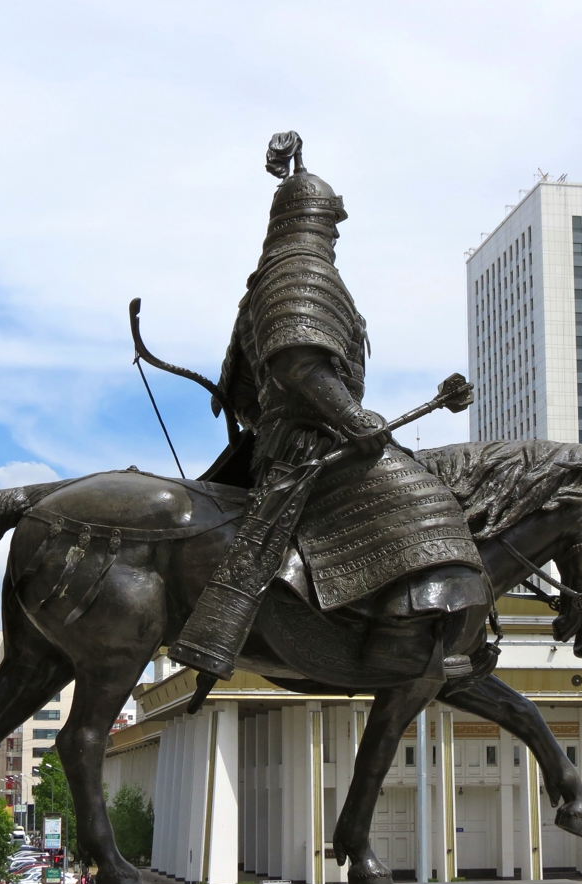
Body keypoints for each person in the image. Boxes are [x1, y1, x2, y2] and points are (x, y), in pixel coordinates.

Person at [169, 132, 487, 682]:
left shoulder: (271, 278)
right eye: (330, 223)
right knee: (428, 504)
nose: (335, 234)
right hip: (306, 443)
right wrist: (351, 418)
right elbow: (297, 361)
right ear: (312, 220)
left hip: (300, 435)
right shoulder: (299, 270)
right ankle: (400, 643)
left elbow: (243, 393)